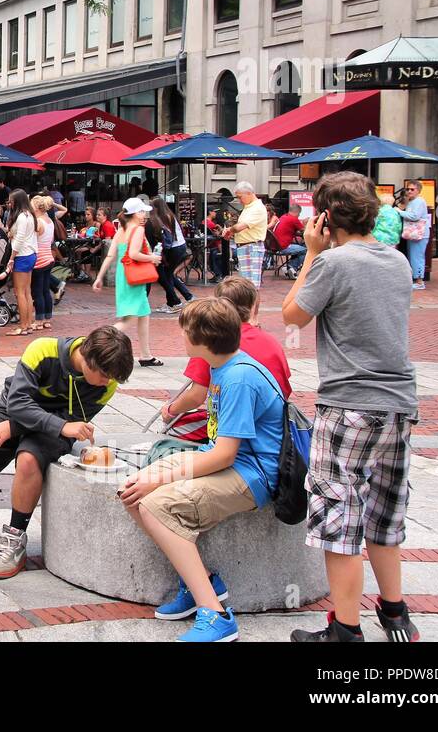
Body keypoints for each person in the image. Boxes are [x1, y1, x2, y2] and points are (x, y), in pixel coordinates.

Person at [283, 172, 421, 643]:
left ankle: (345, 628)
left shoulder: (332, 263)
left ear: (324, 217)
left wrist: (313, 251)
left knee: (339, 518)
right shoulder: (398, 261)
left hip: (348, 405)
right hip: (399, 404)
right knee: (385, 513)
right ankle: (396, 612)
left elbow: (292, 314)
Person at [118, 297, 285, 642]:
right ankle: (202, 583)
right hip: (231, 462)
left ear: (201, 340)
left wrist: (161, 477)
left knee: (153, 502)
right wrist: (153, 476)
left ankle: (217, 615)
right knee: (132, 492)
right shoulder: (221, 366)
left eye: (185, 332)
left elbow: (224, 456)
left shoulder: (238, 378)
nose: (181, 337)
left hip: (253, 475)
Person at [0, 326, 134, 578]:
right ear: (88, 359)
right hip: (13, 413)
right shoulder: (41, 349)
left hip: (51, 427)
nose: (108, 383)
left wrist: (16, 427)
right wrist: (17, 424)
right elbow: (18, 403)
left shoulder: (108, 384)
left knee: (29, 460)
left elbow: (74, 421)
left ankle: (14, 540)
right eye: (105, 375)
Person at [163, 277, 292, 443]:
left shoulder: (213, 344)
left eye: (187, 331)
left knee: (175, 428)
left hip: (248, 435)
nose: (183, 335)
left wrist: (170, 410)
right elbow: (285, 391)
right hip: (272, 423)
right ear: (253, 305)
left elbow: (196, 396)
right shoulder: (271, 342)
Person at [93, 198, 162, 366]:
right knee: (130, 319)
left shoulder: (121, 229)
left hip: (124, 275)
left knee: (143, 314)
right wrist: (152, 258)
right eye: (142, 211)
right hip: (134, 276)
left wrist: (99, 276)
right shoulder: (137, 229)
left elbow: (110, 255)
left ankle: (146, 354)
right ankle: (96, 343)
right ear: (134, 213)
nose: (145, 215)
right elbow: (133, 254)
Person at [150, 197, 195, 313]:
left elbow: (165, 236)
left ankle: (174, 303)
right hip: (180, 246)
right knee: (168, 274)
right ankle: (185, 297)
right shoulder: (170, 215)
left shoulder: (163, 218)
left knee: (166, 275)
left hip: (174, 248)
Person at [5, 189, 38, 336]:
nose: (9, 203)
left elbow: (18, 241)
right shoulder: (29, 215)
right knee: (27, 292)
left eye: (11, 200)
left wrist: (11, 258)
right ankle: (28, 324)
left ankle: (23, 326)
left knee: (20, 293)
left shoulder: (21, 217)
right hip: (30, 253)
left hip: (22, 255)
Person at [224, 181, 267, 288]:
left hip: (251, 247)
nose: (239, 200)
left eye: (240, 197)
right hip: (247, 246)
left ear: (249, 193)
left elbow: (239, 227)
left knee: (251, 286)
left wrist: (230, 231)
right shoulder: (250, 207)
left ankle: (251, 305)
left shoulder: (257, 208)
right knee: (246, 285)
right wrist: (231, 230)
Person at [30, 195, 58, 331]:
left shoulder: (38, 222)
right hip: (48, 258)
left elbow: (31, 239)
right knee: (46, 291)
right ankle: (47, 319)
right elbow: (51, 240)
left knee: (37, 292)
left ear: (35, 207)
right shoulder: (50, 221)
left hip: (39, 260)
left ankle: (39, 320)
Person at [397, 179, 430, 291]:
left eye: (412, 189)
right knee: (413, 256)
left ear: (418, 190)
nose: (409, 191)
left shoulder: (420, 201)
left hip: (419, 234)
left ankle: (419, 281)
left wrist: (400, 212)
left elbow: (415, 216)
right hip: (413, 234)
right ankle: (416, 279)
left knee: (417, 257)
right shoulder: (411, 201)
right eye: (408, 189)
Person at [272, 206, 306, 278]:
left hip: (275, 246)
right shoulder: (294, 219)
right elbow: (305, 230)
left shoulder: (283, 216)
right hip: (283, 247)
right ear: (297, 212)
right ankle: (292, 267)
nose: (299, 215)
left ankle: (288, 268)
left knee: (299, 249)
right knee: (305, 250)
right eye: (299, 214)